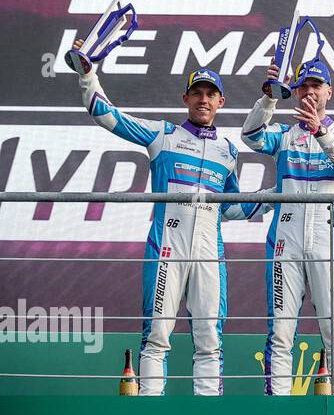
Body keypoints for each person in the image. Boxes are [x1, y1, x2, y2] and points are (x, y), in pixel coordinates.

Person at [74, 43, 260, 395]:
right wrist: (87, 74)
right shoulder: (162, 135)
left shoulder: (229, 152)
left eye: (210, 94)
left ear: (221, 102)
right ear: (185, 98)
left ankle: (208, 412)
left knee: (209, 337)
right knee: (157, 334)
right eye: (197, 93)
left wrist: (269, 200)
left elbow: (229, 207)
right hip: (167, 246)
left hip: (209, 251)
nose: (203, 100)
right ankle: (150, 407)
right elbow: (104, 113)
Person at [242, 59, 334, 395]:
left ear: (330, 91)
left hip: (329, 242)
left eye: (316, 85)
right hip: (285, 241)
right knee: (281, 332)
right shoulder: (283, 135)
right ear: (295, 92)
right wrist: (269, 98)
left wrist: (321, 131)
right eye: (303, 86)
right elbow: (250, 136)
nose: (310, 91)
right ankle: (278, 412)